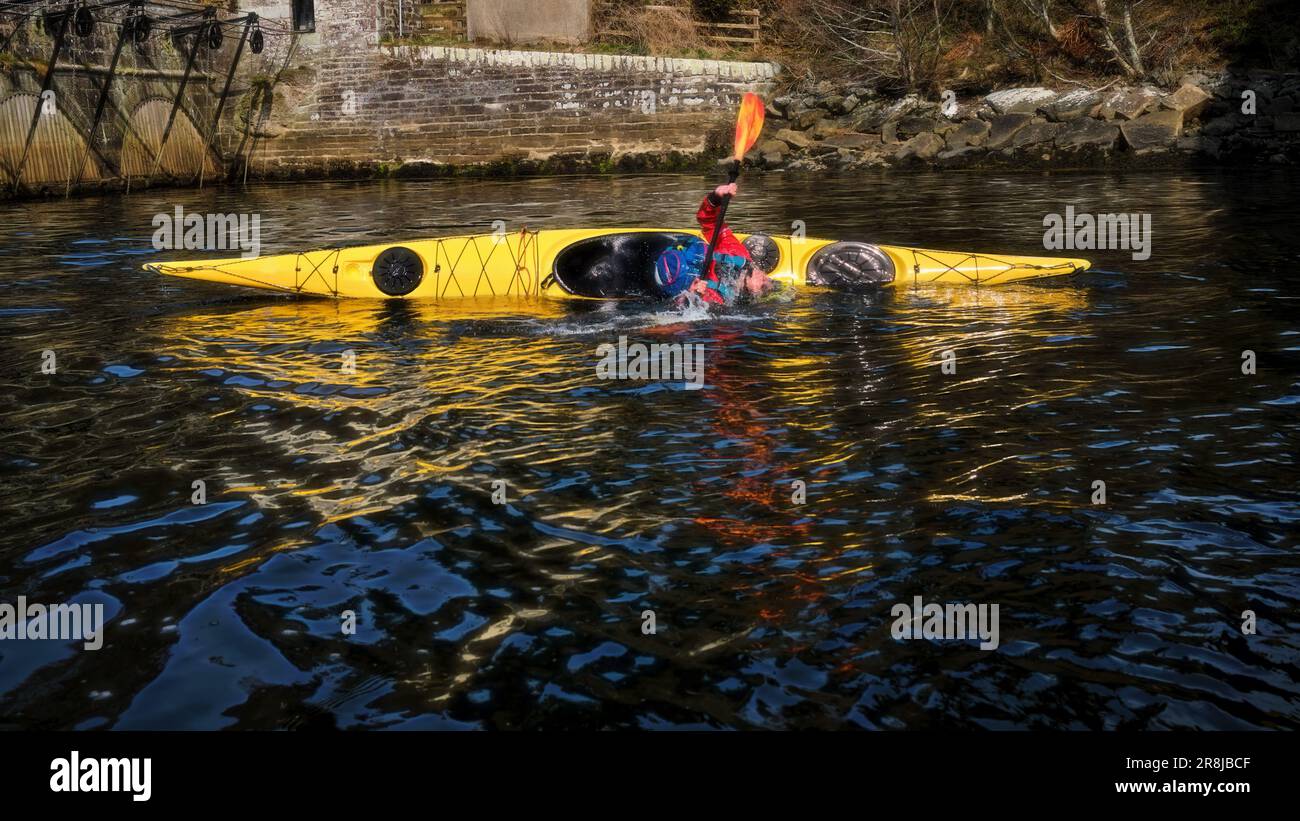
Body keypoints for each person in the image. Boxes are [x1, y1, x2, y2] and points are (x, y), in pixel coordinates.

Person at [654, 182, 779, 307]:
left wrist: (692, 297)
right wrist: (716, 198)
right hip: (670, 258)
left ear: (754, 296)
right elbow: (709, 221)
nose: (763, 277)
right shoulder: (738, 253)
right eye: (766, 277)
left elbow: (681, 313)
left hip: (671, 283)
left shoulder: (716, 299)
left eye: (763, 286)